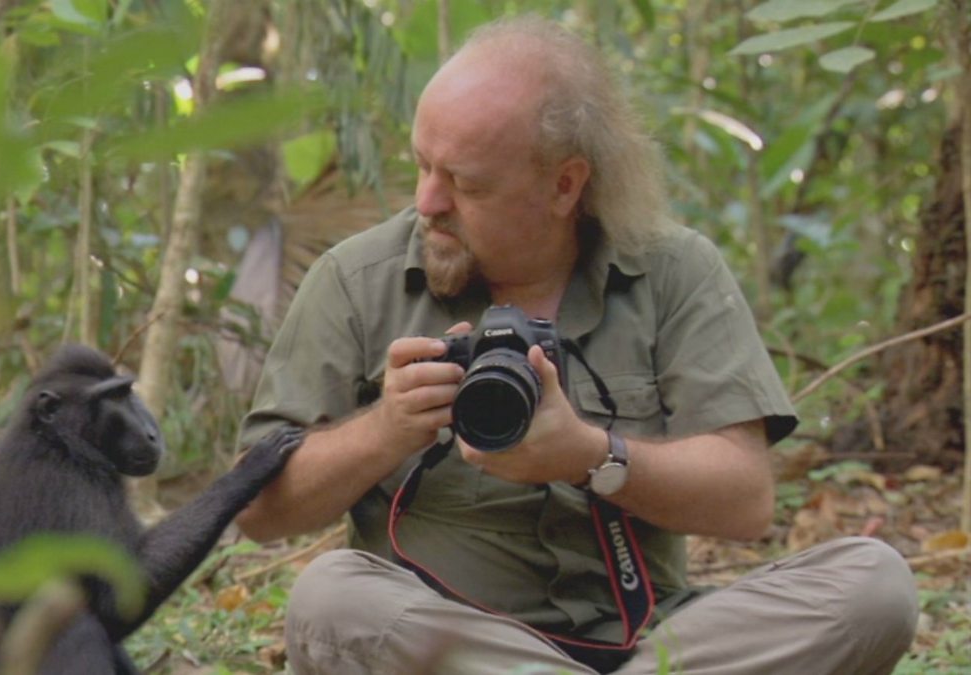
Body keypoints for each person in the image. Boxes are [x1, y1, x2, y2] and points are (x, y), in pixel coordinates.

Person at [235, 15, 918, 675]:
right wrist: (385, 429)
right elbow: (260, 513)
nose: (428, 201)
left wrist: (593, 456)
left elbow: (745, 500)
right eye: (422, 166)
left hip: (658, 642)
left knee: (873, 585)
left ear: (565, 184)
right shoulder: (357, 281)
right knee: (332, 600)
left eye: (467, 183)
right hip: (446, 640)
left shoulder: (671, 271)